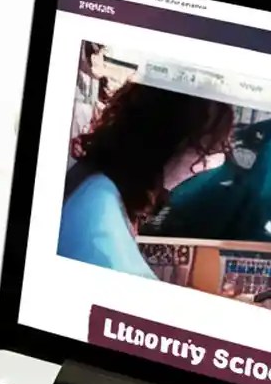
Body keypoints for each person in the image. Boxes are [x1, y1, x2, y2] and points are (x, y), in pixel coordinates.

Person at [60, 81, 232, 278]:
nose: (204, 166)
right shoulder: (98, 204)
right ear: (171, 142)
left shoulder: (101, 186)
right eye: (206, 150)